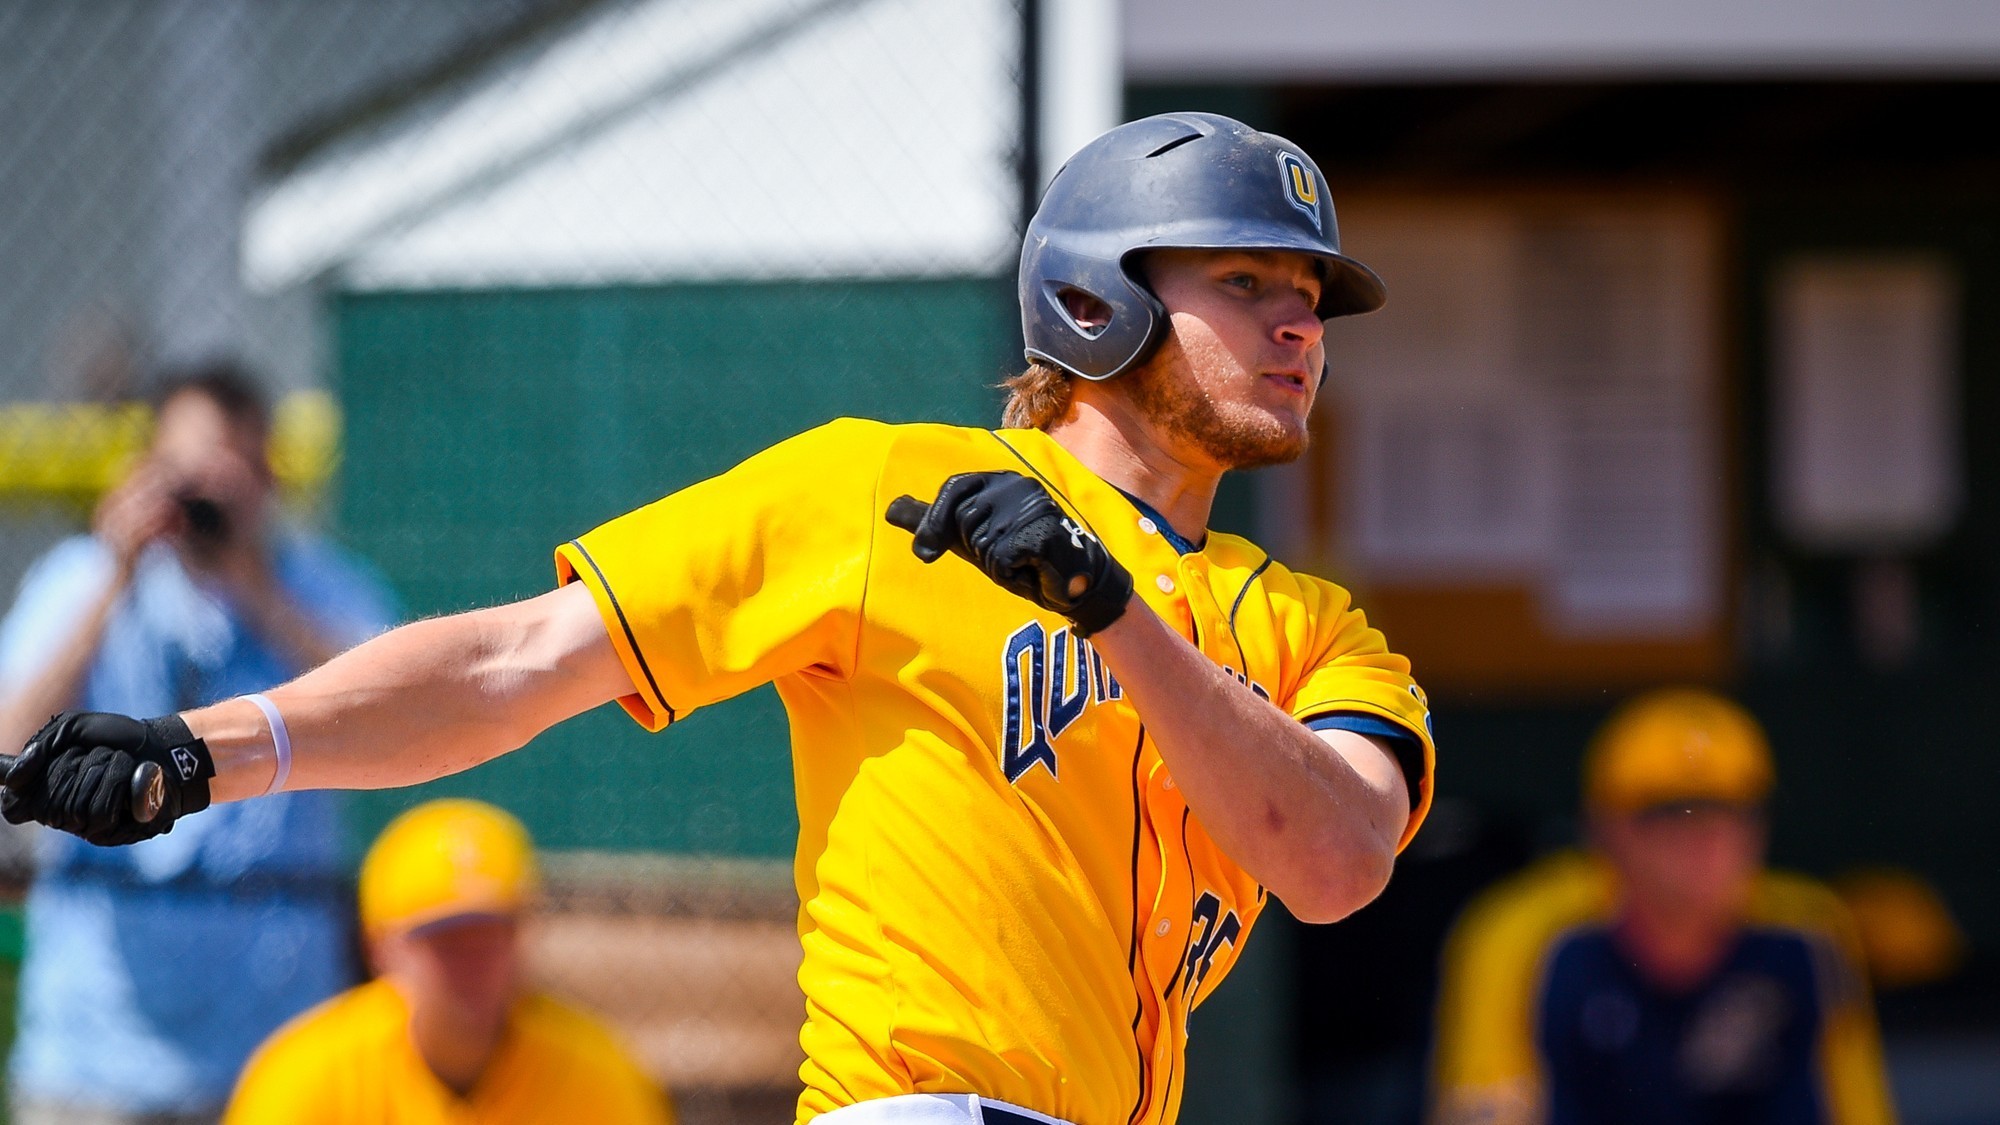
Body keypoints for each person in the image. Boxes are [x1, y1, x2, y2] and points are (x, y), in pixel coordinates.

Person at [0, 113, 1436, 1125]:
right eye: (1242, 282)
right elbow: (516, 662)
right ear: (1093, 299)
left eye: (1308, 295)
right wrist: (209, 751)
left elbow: (1331, 858)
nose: (1297, 324)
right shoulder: (887, 492)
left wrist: (1109, 613)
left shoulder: (1314, 632)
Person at [0, 362, 398, 1124]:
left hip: (278, 1047)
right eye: (186, 471)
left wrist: (256, 588)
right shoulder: (80, 578)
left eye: (234, 471)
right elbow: (11, 738)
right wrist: (116, 573)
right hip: (95, 1049)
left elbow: (393, 716)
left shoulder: (321, 585)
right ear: (148, 471)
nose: (207, 494)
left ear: (270, 479)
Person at [1428, 687, 1898, 1125]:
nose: (1705, 843)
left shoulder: (1806, 931)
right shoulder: (1524, 933)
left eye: (1732, 813)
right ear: (1605, 828)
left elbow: (1858, 1109)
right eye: (1669, 814)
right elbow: (1481, 1109)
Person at [223, 797, 673, 1124]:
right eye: (445, 941)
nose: (473, 963)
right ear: (380, 948)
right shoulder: (309, 1078)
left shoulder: (596, 1076)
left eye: (491, 936)